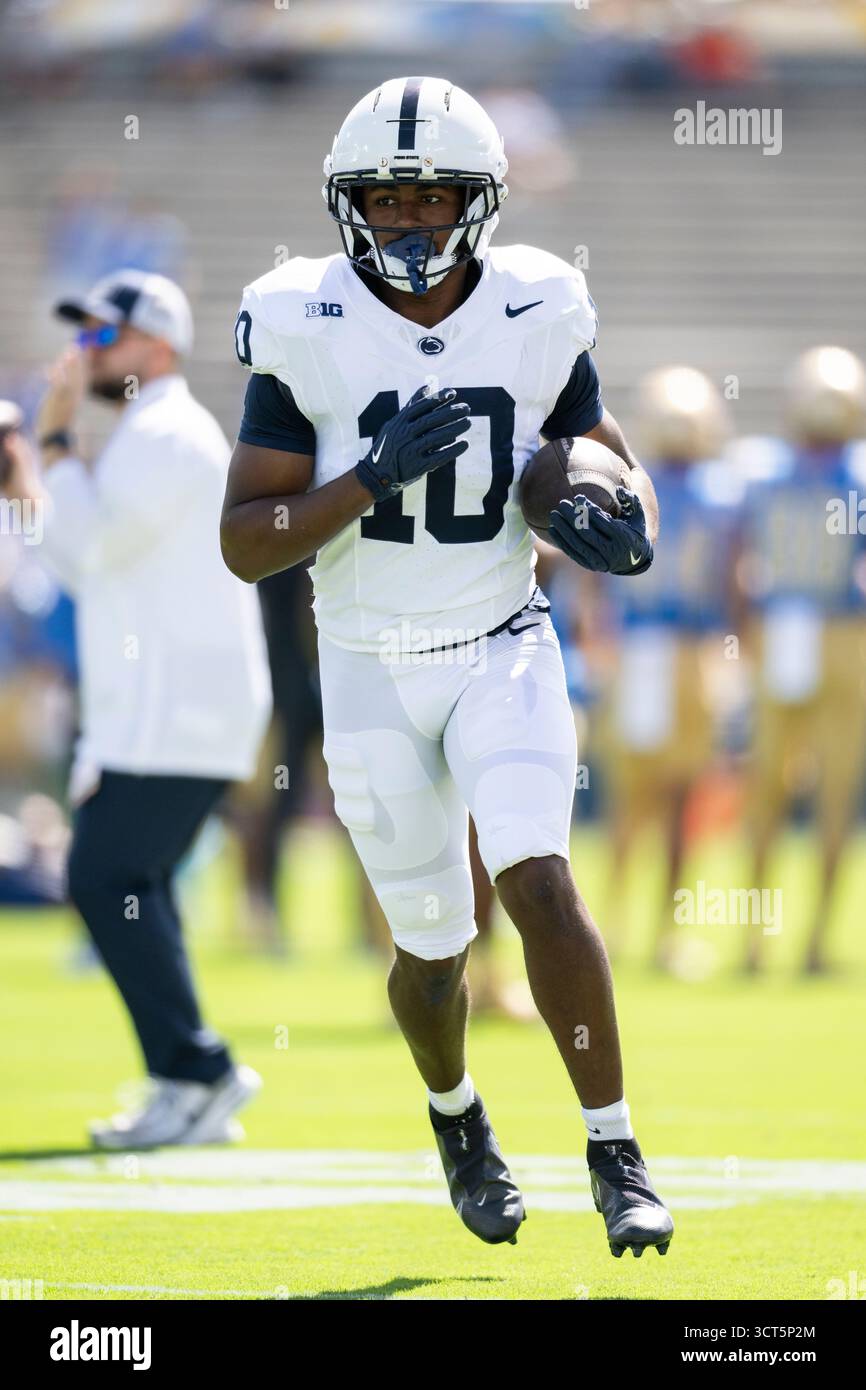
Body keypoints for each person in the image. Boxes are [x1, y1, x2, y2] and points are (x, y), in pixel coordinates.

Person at [220, 78, 673, 1257]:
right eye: (386, 197)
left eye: (434, 197)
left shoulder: (536, 304)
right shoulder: (299, 320)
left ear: (480, 204)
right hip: (367, 661)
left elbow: (601, 451)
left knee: (537, 878)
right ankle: (457, 1117)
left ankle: (614, 1150)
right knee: (430, 950)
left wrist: (627, 512)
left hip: (500, 639)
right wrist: (365, 478)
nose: (410, 221)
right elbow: (242, 541)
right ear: (345, 203)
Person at [2, 269, 273, 1147]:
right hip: (163, 706)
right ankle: (191, 1079)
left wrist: (47, 439)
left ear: (156, 345)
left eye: (101, 336)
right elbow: (75, 555)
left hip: (177, 708)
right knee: (130, 884)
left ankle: (199, 1072)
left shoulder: (164, 430)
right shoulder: (141, 434)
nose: (85, 353)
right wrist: (30, 475)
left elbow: (86, 543)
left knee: (104, 878)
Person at [593, 367, 740, 968]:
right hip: (680, 651)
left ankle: (622, 924)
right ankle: (654, 930)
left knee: (641, 799)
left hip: (643, 651)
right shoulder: (720, 490)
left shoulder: (629, 481)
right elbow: (735, 583)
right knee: (669, 799)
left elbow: (593, 583)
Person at [736, 346, 866, 974]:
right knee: (827, 793)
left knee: (770, 791)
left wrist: (741, 629)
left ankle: (759, 943)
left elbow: (736, 567)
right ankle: (809, 942)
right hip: (841, 633)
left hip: (786, 627)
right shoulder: (847, 474)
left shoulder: (762, 470)